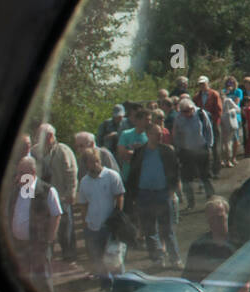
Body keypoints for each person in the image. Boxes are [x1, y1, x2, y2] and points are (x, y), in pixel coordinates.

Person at [126, 132, 183, 270]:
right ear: (148, 135)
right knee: (149, 229)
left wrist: (172, 190)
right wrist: (134, 195)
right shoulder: (140, 152)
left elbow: (175, 170)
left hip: (162, 193)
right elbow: (133, 173)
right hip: (144, 194)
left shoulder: (166, 151)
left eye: (160, 135)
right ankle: (157, 260)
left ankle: (175, 260)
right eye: (156, 134)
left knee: (167, 229)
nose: (159, 137)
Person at [8, 155, 62, 292]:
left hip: (39, 243)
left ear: (32, 173)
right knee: (22, 278)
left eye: (21, 173)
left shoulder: (46, 190)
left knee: (42, 278)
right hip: (19, 243)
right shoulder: (17, 190)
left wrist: (49, 240)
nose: (18, 176)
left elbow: (56, 215)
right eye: (17, 172)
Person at [32, 123, 78, 262]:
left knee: (65, 229)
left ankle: (69, 257)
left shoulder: (63, 150)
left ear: (50, 136)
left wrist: (71, 192)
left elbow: (71, 173)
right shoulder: (34, 151)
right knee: (45, 228)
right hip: (42, 197)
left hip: (61, 197)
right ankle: (48, 257)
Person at [76, 147, 125, 277]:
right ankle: (105, 286)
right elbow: (83, 205)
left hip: (110, 226)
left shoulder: (111, 176)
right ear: (86, 164)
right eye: (92, 162)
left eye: (97, 161)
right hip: (93, 227)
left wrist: (117, 218)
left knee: (114, 258)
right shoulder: (84, 182)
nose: (96, 164)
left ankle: (119, 285)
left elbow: (120, 196)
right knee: (98, 259)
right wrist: (85, 223)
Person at [173, 96, 215, 209]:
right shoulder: (178, 118)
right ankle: (191, 203)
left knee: (205, 175)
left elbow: (208, 129)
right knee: (187, 178)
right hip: (186, 151)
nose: (187, 114)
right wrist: (178, 148)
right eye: (184, 112)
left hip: (202, 149)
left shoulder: (201, 114)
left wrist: (209, 146)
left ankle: (211, 199)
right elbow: (176, 134)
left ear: (192, 108)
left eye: (189, 111)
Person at [184, 195, 236, 284]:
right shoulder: (198, 247)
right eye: (212, 219)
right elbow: (188, 279)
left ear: (227, 215)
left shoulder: (240, 243)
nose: (216, 223)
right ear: (207, 220)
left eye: (220, 218)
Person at [193, 76, 224, 176]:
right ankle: (206, 171)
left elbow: (219, 109)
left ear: (207, 83)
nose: (202, 86)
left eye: (203, 83)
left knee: (216, 147)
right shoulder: (196, 96)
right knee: (203, 147)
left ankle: (217, 170)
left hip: (213, 123)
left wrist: (213, 121)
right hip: (202, 125)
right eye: (200, 84)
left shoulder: (214, 94)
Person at [116, 106, 149, 177]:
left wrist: (132, 154)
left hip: (145, 175)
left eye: (150, 120)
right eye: (146, 120)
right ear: (139, 120)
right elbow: (121, 153)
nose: (149, 122)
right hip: (128, 174)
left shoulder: (150, 135)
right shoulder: (126, 134)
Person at [221, 94, 240, 167]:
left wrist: (231, 112)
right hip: (220, 125)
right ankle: (222, 160)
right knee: (221, 144)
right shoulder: (216, 101)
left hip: (229, 125)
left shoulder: (228, 101)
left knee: (228, 143)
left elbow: (238, 109)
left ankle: (228, 160)